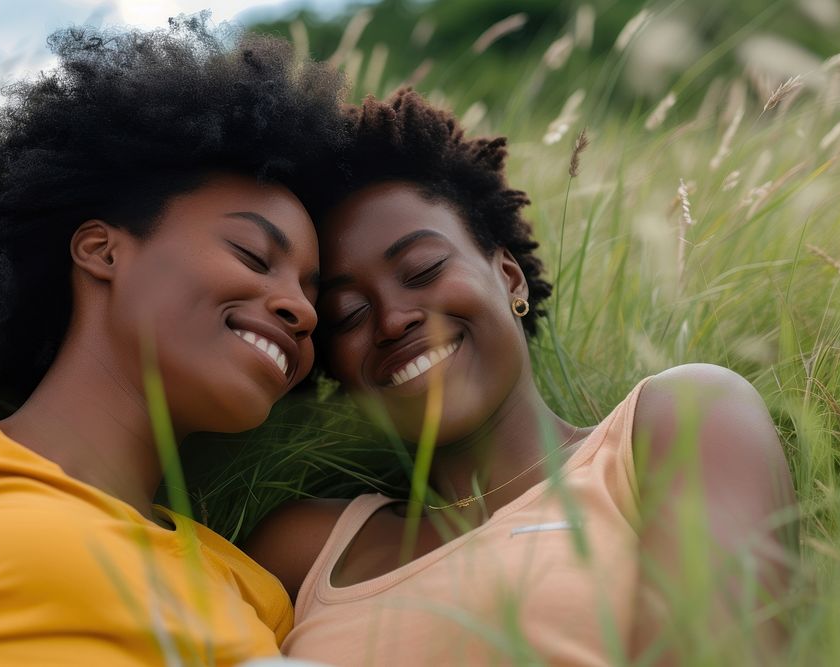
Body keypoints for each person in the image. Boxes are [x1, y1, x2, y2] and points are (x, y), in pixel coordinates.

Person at [0, 18, 348, 666]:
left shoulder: (253, 589)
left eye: (314, 293)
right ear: (101, 250)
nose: (301, 310)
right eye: (254, 256)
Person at [245, 89, 796, 665]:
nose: (393, 319)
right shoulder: (305, 549)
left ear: (510, 278)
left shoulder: (679, 419)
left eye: (423, 270)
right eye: (347, 316)